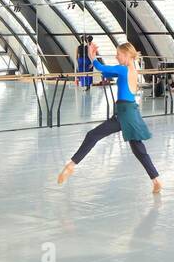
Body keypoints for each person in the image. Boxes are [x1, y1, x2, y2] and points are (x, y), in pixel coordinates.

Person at [57, 42, 162, 194]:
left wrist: (92, 58)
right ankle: (156, 180)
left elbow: (102, 68)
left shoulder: (123, 69)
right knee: (138, 149)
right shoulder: (132, 70)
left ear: (126, 55)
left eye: (118, 54)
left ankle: (71, 165)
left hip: (124, 113)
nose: (116, 56)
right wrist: (95, 62)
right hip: (130, 112)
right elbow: (107, 73)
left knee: (93, 135)